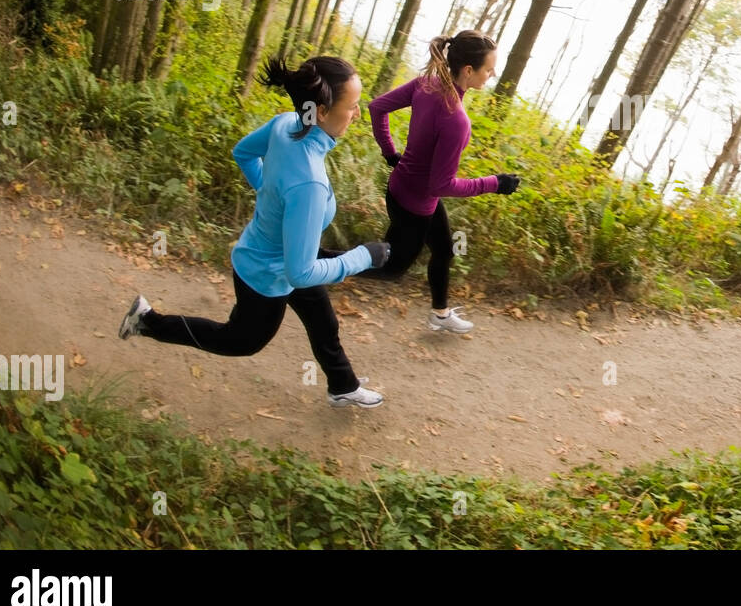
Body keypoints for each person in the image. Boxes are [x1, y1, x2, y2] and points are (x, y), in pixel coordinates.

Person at [117, 56, 393, 409]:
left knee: (323, 323)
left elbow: (243, 153)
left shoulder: (286, 125)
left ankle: (342, 384)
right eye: (352, 107)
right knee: (239, 341)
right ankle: (148, 321)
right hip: (265, 273)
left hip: (290, 252)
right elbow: (301, 272)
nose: (358, 115)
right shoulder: (309, 181)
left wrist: (270, 196)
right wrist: (362, 257)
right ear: (321, 112)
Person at [363, 30, 520, 333]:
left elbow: (376, 107)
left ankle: (440, 313)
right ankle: (307, 262)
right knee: (390, 267)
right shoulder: (456, 119)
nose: (492, 74)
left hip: (403, 190)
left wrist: (390, 154)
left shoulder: (427, 84)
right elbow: (441, 185)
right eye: (489, 69)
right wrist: (494, 183)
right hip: (416, 204)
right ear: (469, 70)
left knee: (444, 249)